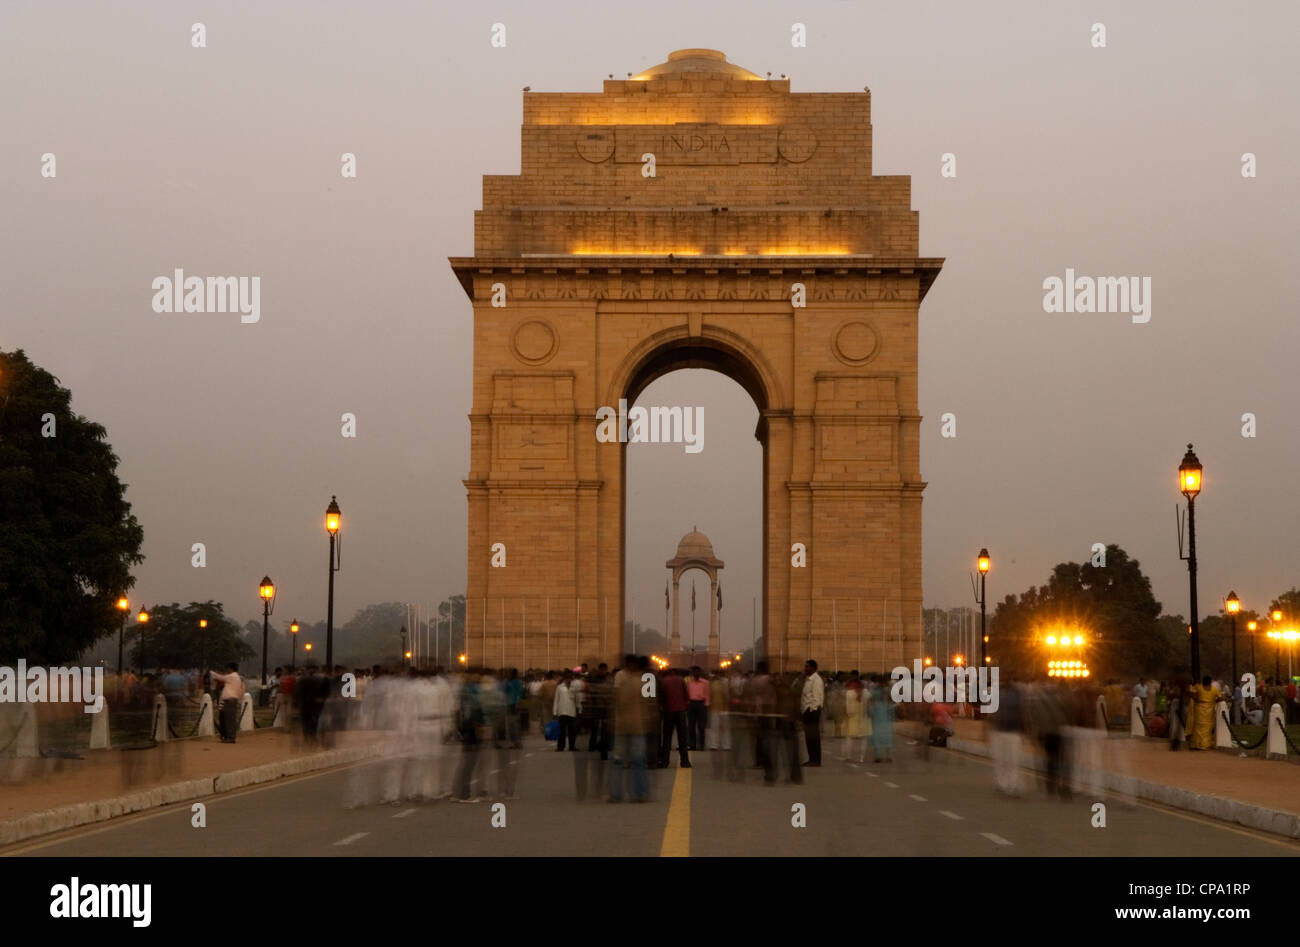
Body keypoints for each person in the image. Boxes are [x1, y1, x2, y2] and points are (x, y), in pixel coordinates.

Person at [608, 654, 651, 802]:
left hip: (633, 725)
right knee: (623, 760)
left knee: (634, 761)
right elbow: (616, 699)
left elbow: (648, 701)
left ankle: (635, 793)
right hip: (627, 725)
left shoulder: (635, 678)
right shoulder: (627, 677)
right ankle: (621, 794)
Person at [658, 668, 691, 768]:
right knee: (682, 737)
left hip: (668, 711)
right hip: (681, 711)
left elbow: (661, 696)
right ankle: (685, 762)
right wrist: (685, 706)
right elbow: (686, 695)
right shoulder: (681, 680)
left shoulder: (664, 681)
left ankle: (664, 762)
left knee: (667, 737)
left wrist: (662, 707)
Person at [209, 663, 246, 743]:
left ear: (230, 668)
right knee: (225, 719)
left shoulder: (232, 676)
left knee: (229, 720)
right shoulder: (237, 677)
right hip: (227, 700)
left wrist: (211, 672)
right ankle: (226, 736)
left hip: (229, 700)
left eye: (227, 668)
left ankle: (230, 737)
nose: (226, 670)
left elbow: (220, 677)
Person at [800, 660, 824, 766]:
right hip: (807, 710)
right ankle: (812, 759)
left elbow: (817, 697)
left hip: (812, 711)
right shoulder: (808, 680)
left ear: (814, 668)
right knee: (809, 738)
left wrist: (813, 710)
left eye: (808, 667)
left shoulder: (816, 680)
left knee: (813, 737)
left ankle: (815, 760)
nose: (805, 668)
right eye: (805, 666)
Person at [840, 670, 866, 762]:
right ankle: (861, 758)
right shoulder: (862, 686)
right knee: (862, 737)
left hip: (851, 714)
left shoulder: (849, 687)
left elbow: (846, 702)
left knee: (849, 737)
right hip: (860, 714)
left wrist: (847, 712)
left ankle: (849, 756)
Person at [1188, 675, 1219, 750]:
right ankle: (1205, 745)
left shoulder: (1198, 687)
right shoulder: (1214, 690)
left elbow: (1194, 696)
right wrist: (1213, 701)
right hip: (1209, 711)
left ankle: (1196, 744)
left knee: (1198, 726)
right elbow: (1220, 698)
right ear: (1210, 682)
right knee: (1207, 728)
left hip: (1199, 710)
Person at [552, 669, 579, 751]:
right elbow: (556, 700)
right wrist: (555, 712)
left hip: (572, 712)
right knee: (561, 731)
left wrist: (579, 710)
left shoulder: (574, 688)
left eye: (570, 677)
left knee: (572, 731)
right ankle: (560, 747)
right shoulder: (560, 688)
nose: (568, 679)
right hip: (562, 712)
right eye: (567, 677)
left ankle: (572, 746)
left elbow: (577, 700)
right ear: (564, 678)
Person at [685, 666, 710, 751]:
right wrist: (687, 705)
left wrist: (706, 705)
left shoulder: (705, 683)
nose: (696, 673)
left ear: (700, 673)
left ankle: (701, 745)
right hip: (691, 704)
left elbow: (707, 694)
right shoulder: (689, 683)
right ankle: (692, 745)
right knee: (691, 726)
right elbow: (687, 694)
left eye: (697, 672)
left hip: (701, 704)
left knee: (701, 726)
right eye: (694, 672)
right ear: (692, 673)